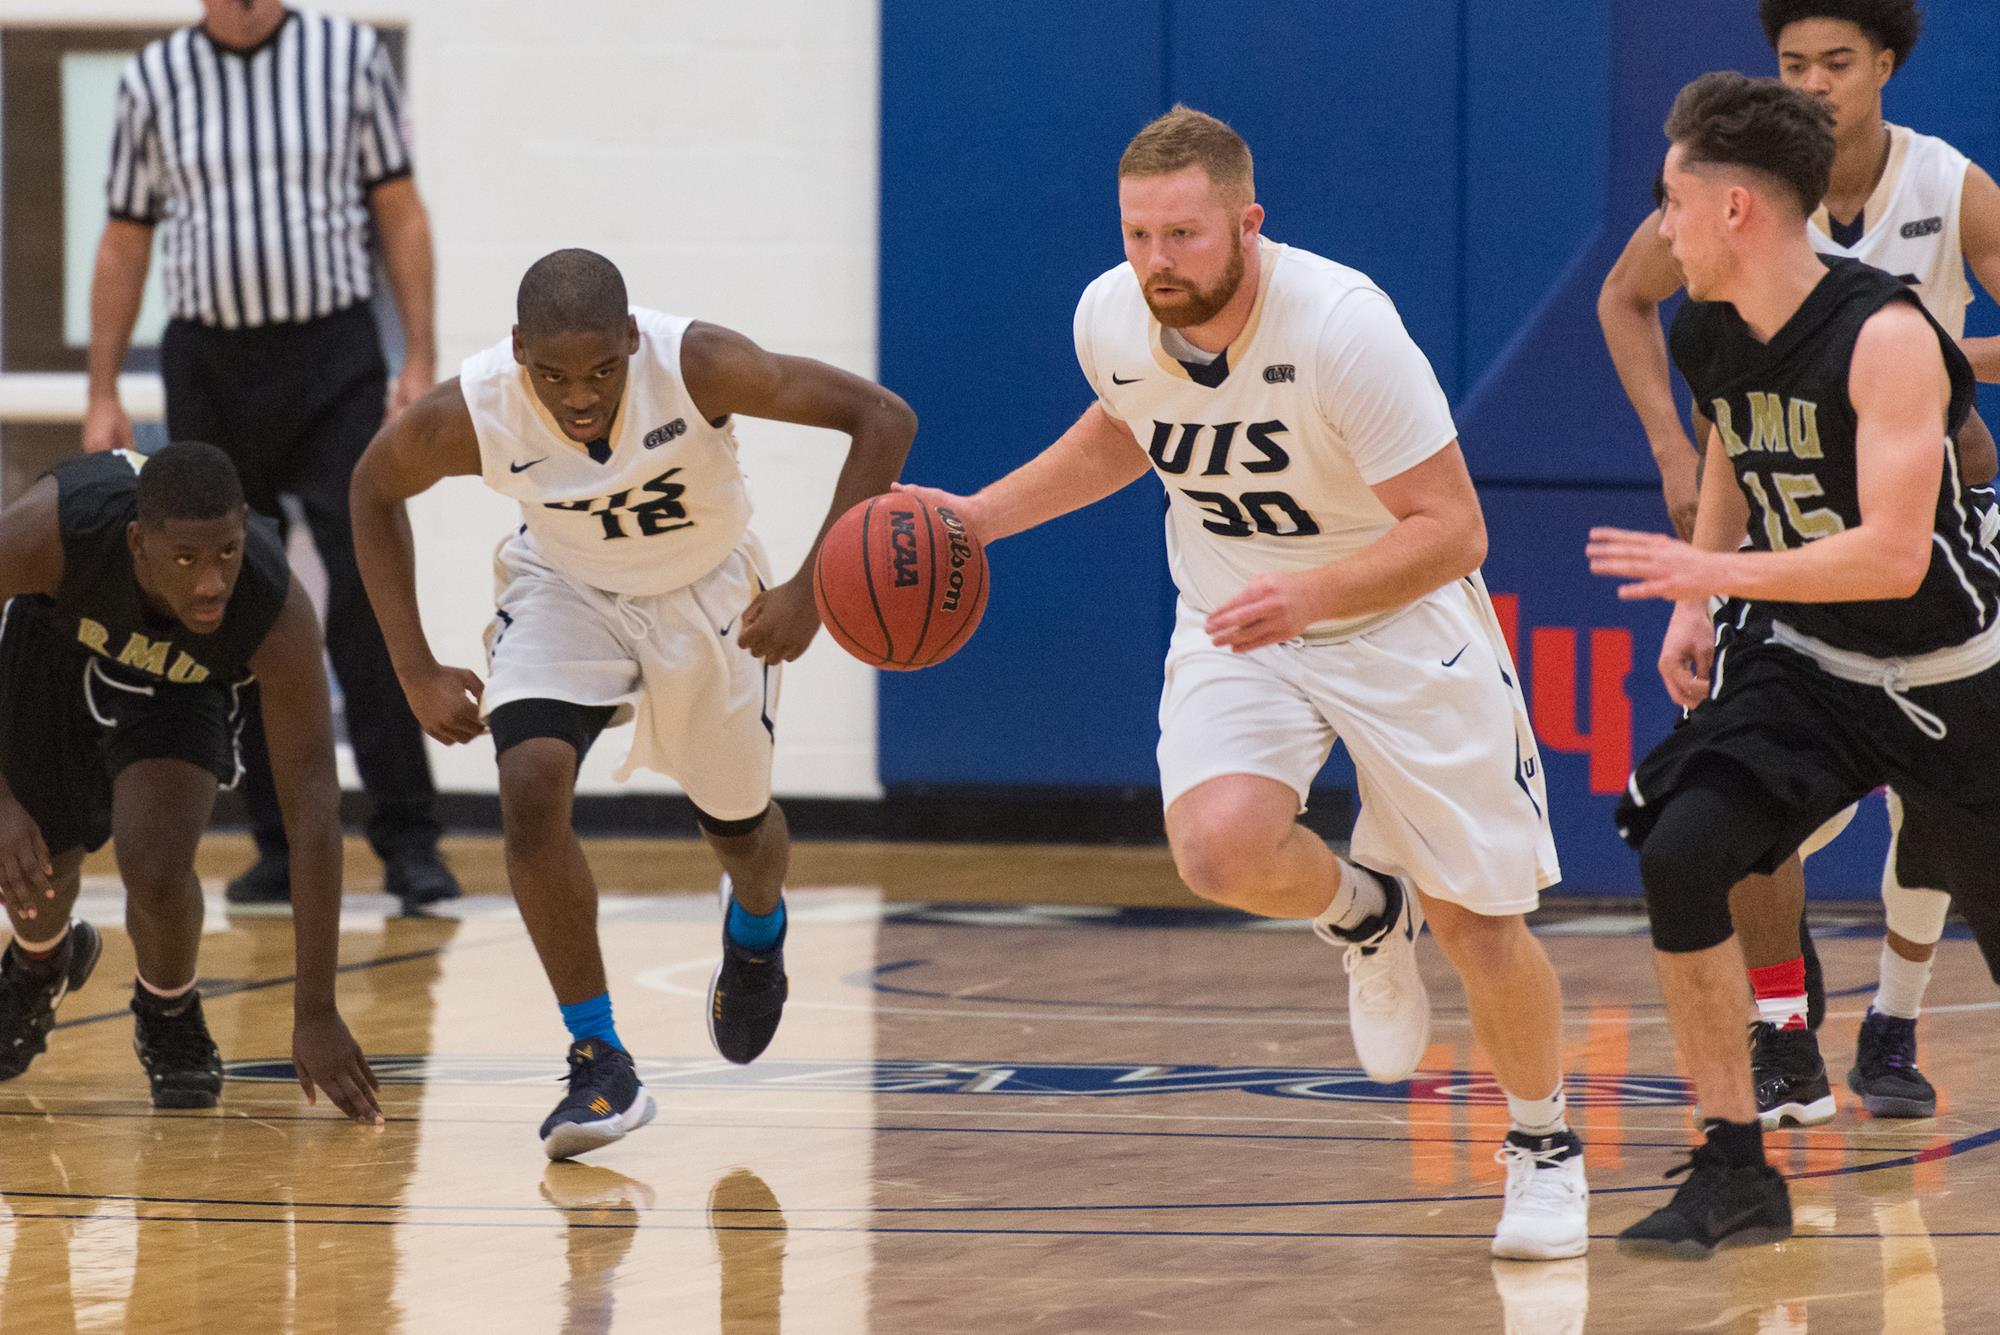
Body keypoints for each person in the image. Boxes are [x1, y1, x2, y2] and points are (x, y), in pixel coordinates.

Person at [897, 106, 1583, 1261]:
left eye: (1182, 235)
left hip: (1397, 622)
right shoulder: (1109, 316)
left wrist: (1313, 597)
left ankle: (1542, 1147)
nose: (1156, 262)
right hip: (1233, 614)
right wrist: (974, 521)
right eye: (1136, 235)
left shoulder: (1343, 330)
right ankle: (1364, 912)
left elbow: (1454, 531)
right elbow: (1128, 431)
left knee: (1477, 922)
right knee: (1216, 847)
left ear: (1246, 224)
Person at [350, 249, 916, 1160]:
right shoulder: (477, 408)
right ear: (517, 350)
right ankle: (598, 1055)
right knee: (530, 787)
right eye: (555, 375)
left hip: (708, 592)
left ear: (630, 340)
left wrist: (815, 588)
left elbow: (882, 417)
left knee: (739, 832)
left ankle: (758, 924)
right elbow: (371, 491)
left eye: (603, 370)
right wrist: (411, 665)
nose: (580, 396)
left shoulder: (698, 363)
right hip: (564, 588)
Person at [1589, 72, 2000, 1254]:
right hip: (1811, 666)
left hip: (1950, 681)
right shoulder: (1707, 325)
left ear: (1733, 211)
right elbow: (1727, 443)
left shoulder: (1885, 338)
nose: (1658, 228)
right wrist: (1693, 601)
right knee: (1680, 859)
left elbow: (1885, 554)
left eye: (1670, 201)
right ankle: (1733, 1169)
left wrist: (1713, 578)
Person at [84, 0, 456, 914]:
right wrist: (101, 389)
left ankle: (410, 841)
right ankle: (276, 844)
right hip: (210, 363)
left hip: (331, 356)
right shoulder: (152, 79)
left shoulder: (347, 55)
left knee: (364, 584)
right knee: (228, 595)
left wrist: (417, 353)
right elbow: (126, 238)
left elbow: (398, 210)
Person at [0, 442, 379, 1122]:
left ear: (244, 527)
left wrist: (316, 1011)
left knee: (155, 861)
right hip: (53, 649)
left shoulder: (271, 606)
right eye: (185, 560)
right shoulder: (52, 532)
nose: (211, 582)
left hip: (177, 686)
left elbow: (314, 813)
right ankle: (38, 962)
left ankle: (169, 1007)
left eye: (226, 553)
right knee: (33, 863)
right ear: (138, 543)